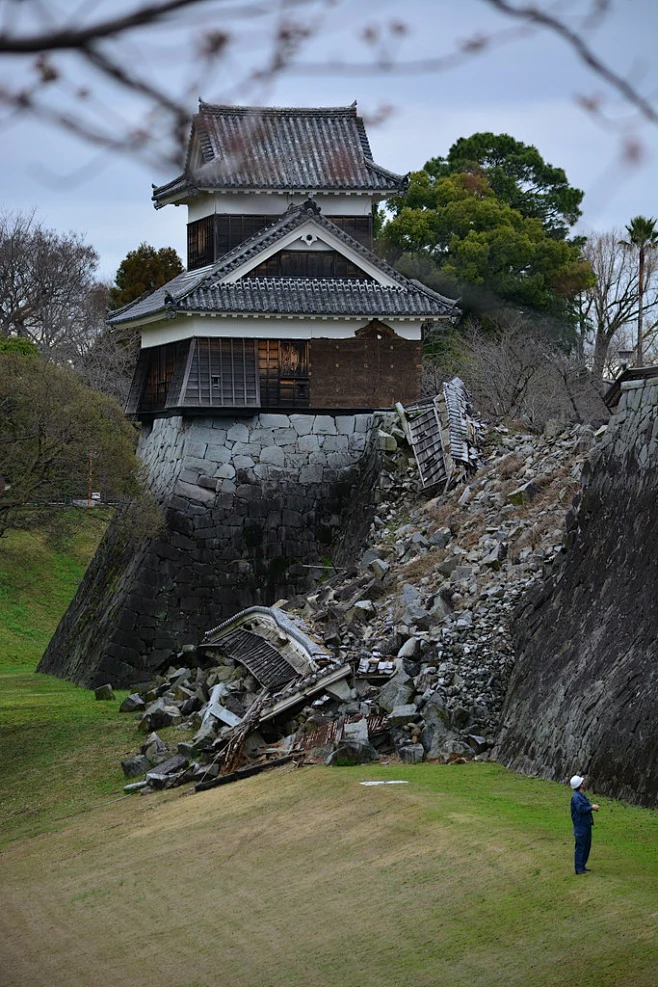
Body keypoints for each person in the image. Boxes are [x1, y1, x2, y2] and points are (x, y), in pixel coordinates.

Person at [570, 775, 599, 874]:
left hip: (586, 824)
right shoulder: (576, 798)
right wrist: (591, 807)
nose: (584, 784)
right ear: (580, 785)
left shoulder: (580, 795)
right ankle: (578, 868)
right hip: (580, 825)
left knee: (586, 846)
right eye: (582, 783)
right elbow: (581, 810)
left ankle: (582, 865)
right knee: (581, 846)